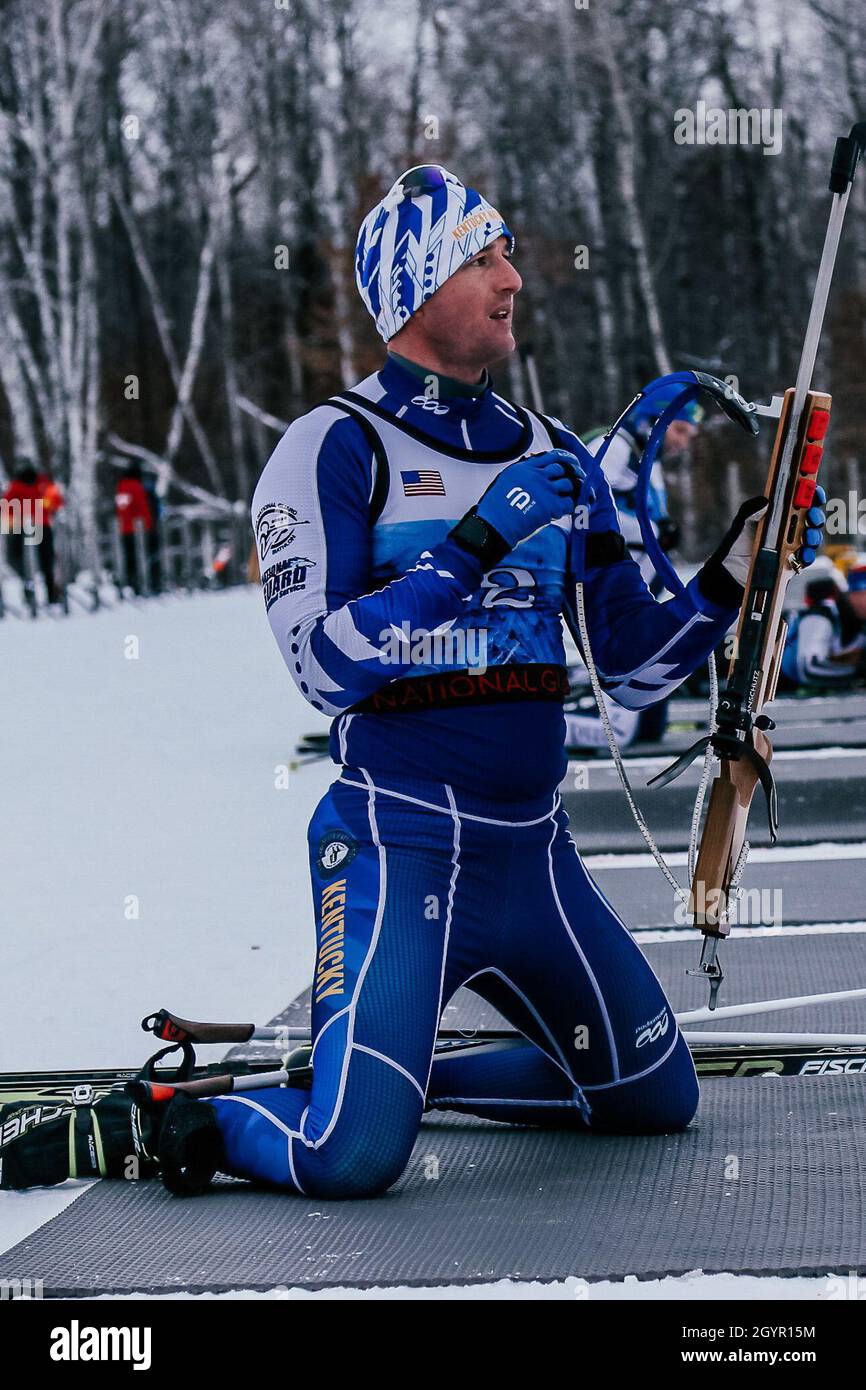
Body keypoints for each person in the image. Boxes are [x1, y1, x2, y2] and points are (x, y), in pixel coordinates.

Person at [148, 165, 803, 1199]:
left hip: (527, 854)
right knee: (350, 1158)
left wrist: (734, 567)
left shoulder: (553, 452)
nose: (512, 279)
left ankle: (410, 1072)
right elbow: (319, 666)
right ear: (414, 290)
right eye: (482, 257)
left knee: (651, 1094)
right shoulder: (333, 445)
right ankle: (191, 1125)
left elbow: (632, 670)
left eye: (507, 255)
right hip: (396, 843)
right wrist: (473, 543)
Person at [780, 562, 866, 689]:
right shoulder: (821, 616)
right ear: (853, 594)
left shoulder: (860, 624)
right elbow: (808, 669)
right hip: (768, 687)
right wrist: (858, 673)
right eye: (862, 593)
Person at [1, 461, 64, 606]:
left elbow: (56, 501)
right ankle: (30, 593)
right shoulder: (16, 486)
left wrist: (45, 508)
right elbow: (6, 506)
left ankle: (51, 594)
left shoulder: (43, 482)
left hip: (41, 525)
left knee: (46, 561)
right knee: (25, 562)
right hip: (23, 528)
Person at [114, 463, 153, 594]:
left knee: (130, 559)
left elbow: (122, 508)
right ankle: (141, 585)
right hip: (138, 528)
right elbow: (142, 508)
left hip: (126, 528)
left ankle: (132, 584)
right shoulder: (136, 486)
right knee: (140, 557)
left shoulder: (122, 487)